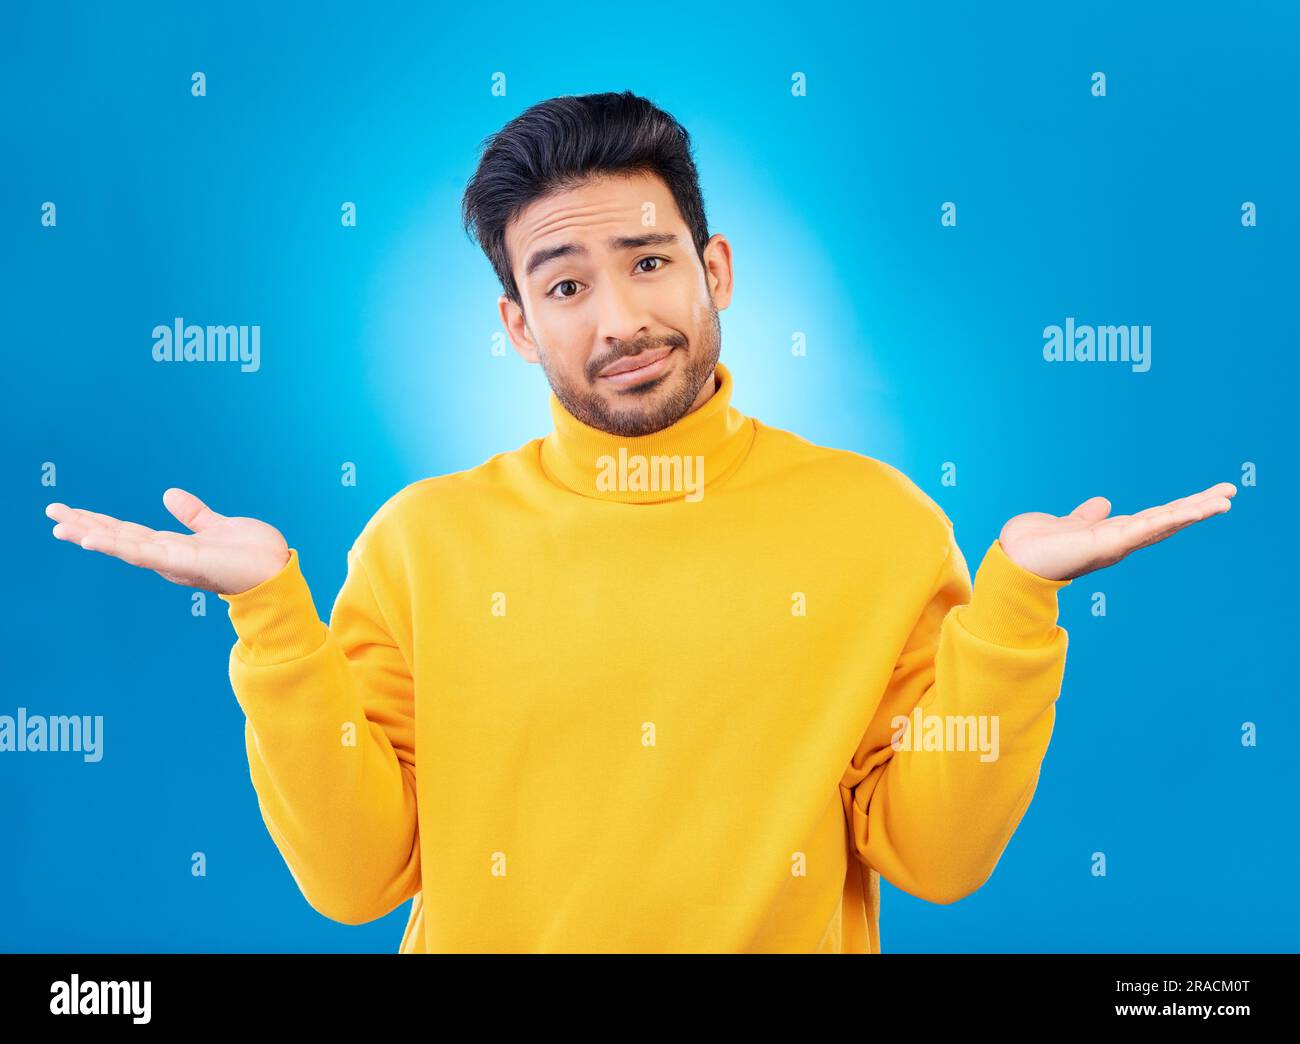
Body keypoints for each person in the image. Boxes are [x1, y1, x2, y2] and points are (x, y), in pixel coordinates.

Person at [44, 90, 1235, 953]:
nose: (619, 319)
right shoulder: (420, 544)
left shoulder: (876, 525)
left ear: (714, 268)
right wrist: (272, 626)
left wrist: (1017, 607)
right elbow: (358, 885)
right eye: (564, 284)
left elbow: (935, 857)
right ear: (517, 326)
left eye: (649, 262)